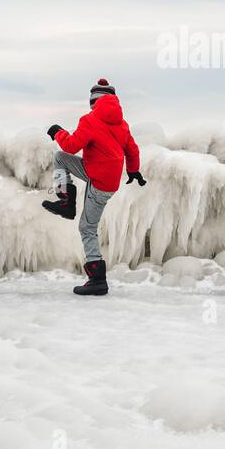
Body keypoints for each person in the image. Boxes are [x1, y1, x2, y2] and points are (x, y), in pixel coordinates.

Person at [43, 78, 145, 295]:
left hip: (99, 183)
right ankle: (67, 202)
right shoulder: (122, 124)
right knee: (60, 158)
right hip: (101, 175)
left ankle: (97, 279)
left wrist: (57, 132)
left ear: (94, 101)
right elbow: (132, 150)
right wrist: (133, 170)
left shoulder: (89, 120)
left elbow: (71, 145)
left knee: (87, 228)